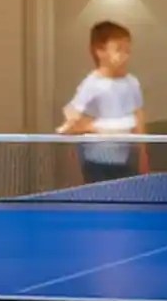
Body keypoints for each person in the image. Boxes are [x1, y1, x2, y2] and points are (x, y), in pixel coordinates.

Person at [58, 20, 149, 182]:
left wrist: (143, 155)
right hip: (96, 161)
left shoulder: (132, 83)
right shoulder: (91, 83)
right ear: (100, 51)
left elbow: (138, 118)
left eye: (127, 50)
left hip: (126, 159)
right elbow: (71, 116)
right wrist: (88, 127)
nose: (125, 55)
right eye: (119, 50)